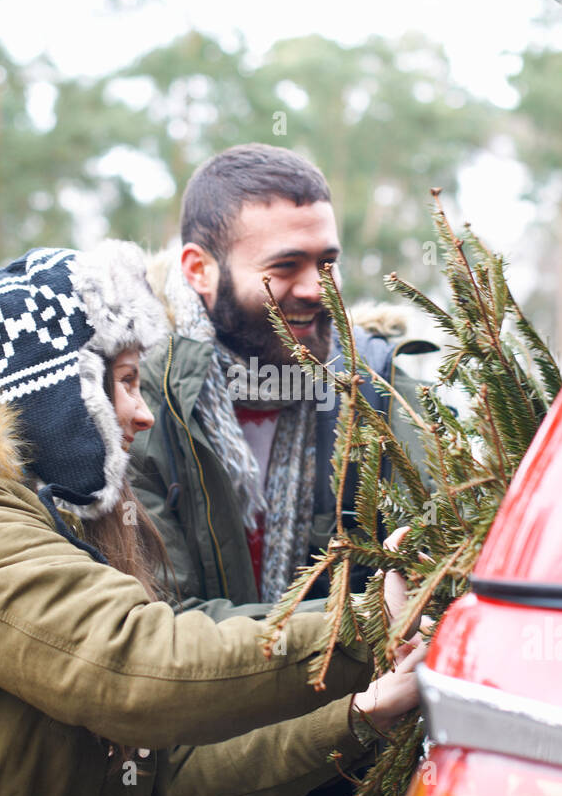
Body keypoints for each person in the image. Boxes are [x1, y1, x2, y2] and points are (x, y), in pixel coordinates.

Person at [0, 241, 422, 796]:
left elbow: (162, 780)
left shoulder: (65, 531)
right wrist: (367, 622)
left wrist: (361, 716)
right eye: (126, 382)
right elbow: (136, 667)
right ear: (60, 400)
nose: (144, 411)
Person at [130, 143, 434, 615]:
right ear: (200, 270)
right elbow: (166, 628)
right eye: (285, 267)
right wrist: (366, 631)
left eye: (327, 262)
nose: (317, 288)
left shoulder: (380, 393)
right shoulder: (140, 406)